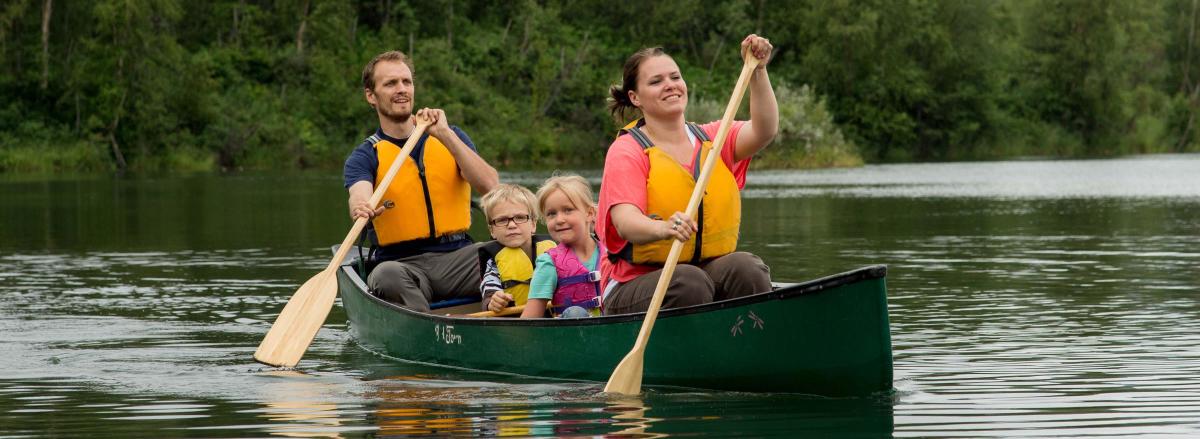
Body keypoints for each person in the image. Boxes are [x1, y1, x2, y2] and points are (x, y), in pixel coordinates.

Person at [596, 34, 777, 315]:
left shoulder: (713, 138)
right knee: (687, 282)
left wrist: (758, 70)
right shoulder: (627, 151)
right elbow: (625, 223)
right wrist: (663, 228)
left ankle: (745, 346)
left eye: (675, 77)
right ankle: (692, 354)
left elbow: (764, 130)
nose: (670, 85)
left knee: (747, 268)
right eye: (656, 82)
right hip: (632, 282)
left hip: (700, 271)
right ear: (635, 97)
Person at [343, 50, 499, 312]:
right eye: (390, 83)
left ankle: (502, 314)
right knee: (386, 276)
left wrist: (446, 135)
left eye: (406, 82)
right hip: (402, 264)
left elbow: (491, 186)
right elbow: (359, 195)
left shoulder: (450, 136)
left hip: (458, 258)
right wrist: (361, 206)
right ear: (371, 95)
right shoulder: (365, 155)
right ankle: (427, 328)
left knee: (513, 251)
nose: (401, 89)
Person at [521, 174, 604, 318]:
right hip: (572, 335)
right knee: (575, 313)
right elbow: (529, 320)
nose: (559, 220)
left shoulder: (612, 254)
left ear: (589, 213)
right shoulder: (548, 263)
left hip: (614, 331)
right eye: (551, 214)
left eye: (568, 210)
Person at [478, 184, 556, 313]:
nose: (512, 225)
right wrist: (493, 301)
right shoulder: (493, 265)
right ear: (492, 230)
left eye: (520, 218)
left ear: (533, 224)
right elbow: (489, 292)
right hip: (517, 325)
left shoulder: (556, 253)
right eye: (502, 220)